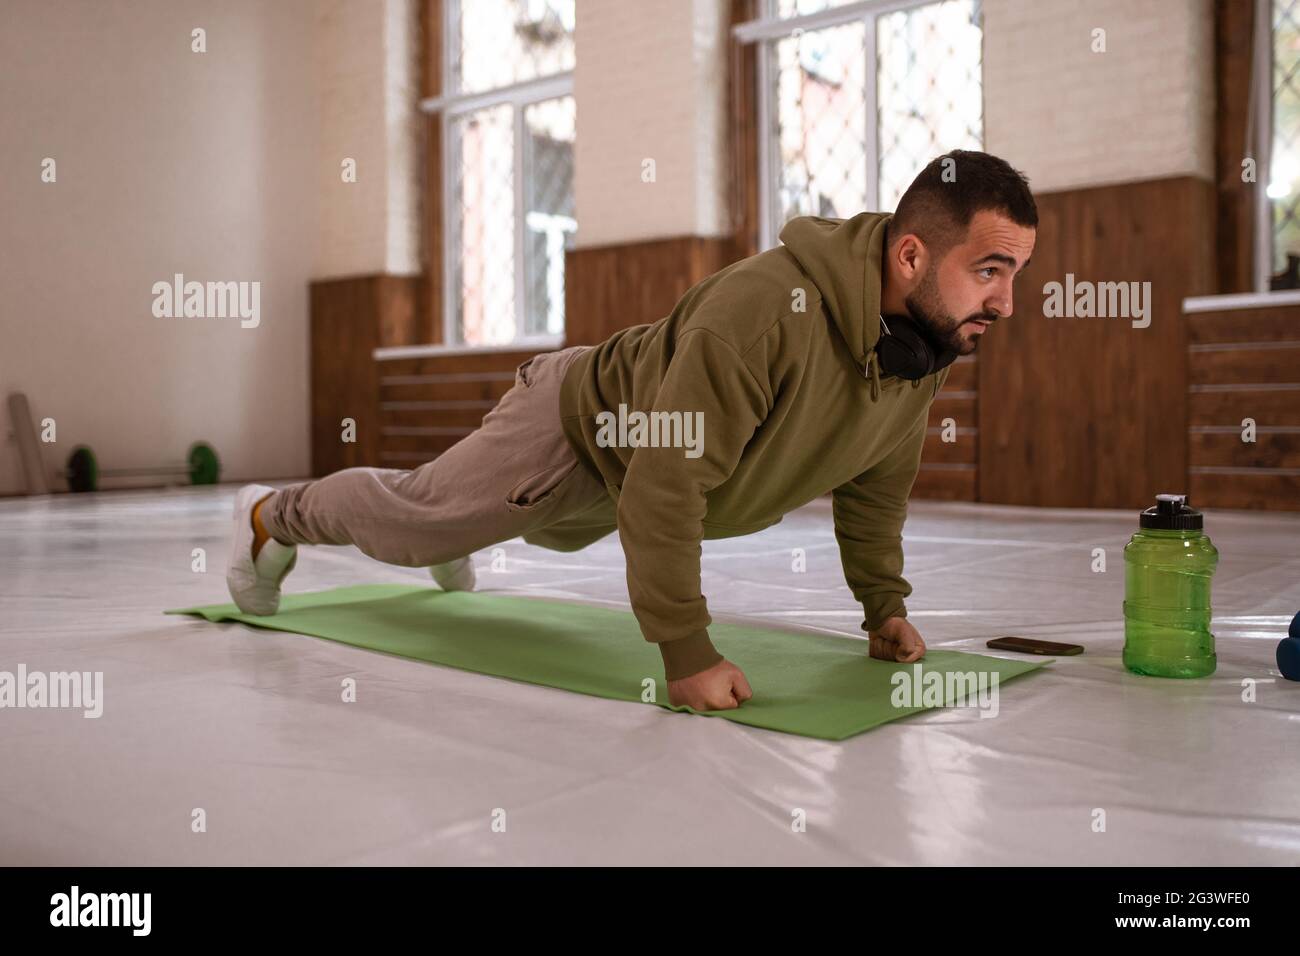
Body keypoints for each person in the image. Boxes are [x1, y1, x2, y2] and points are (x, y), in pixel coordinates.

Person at [227, 149, 1038, 713]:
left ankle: (461, 533)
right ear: (909, 256)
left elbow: (874, 489)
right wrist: (686, 653)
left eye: (1015, 276)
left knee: (463, 520)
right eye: (990, 271)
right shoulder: (760, 316)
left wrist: (883, 608)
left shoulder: (921, 352)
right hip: (577, 431)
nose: (1005, 303)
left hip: (629, 459)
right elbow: (666, 486)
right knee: (412, 524)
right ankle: (273, 515)